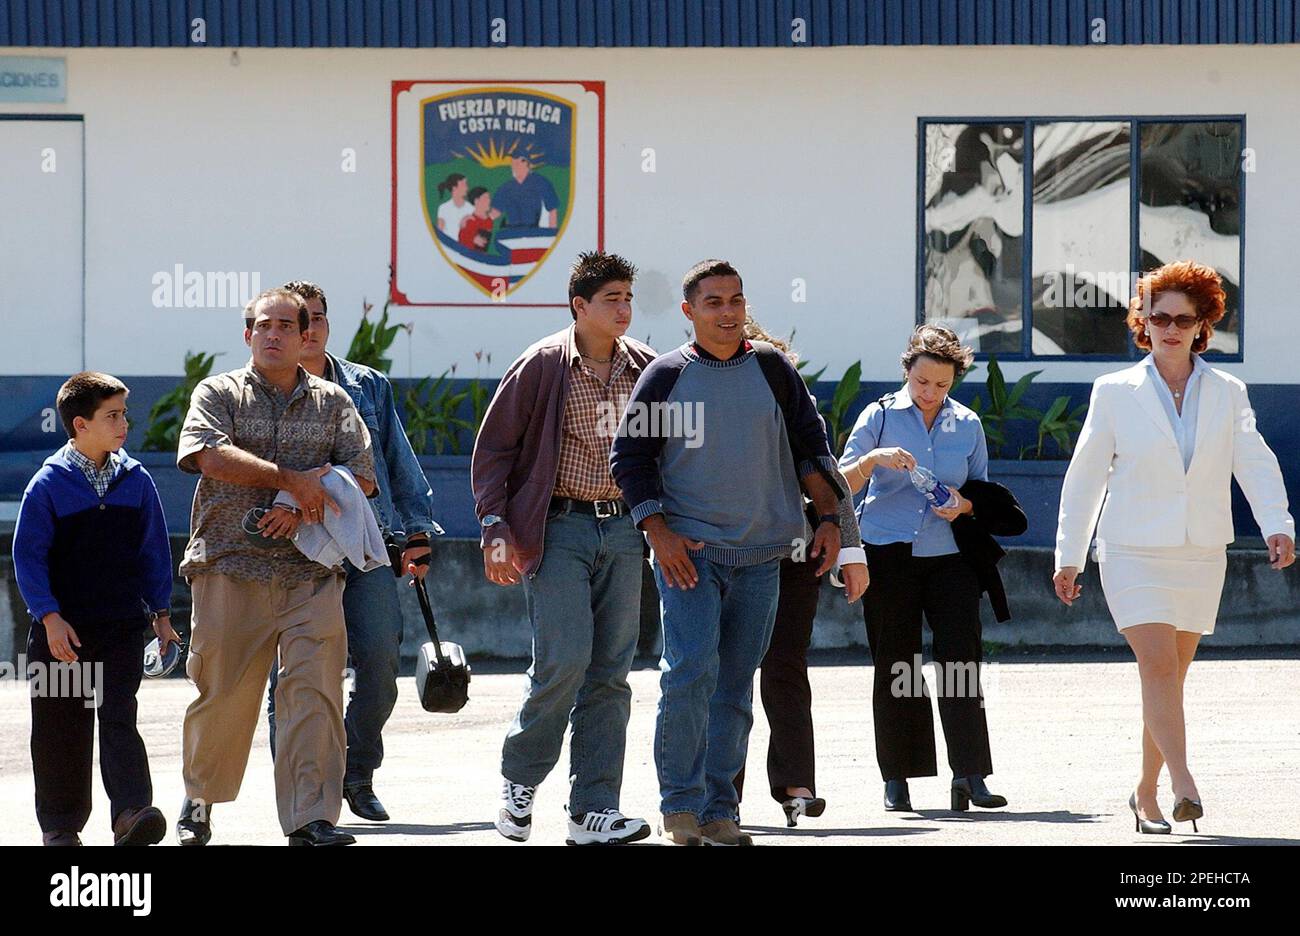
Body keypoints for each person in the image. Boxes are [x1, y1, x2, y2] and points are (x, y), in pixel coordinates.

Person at [611, 259, 867, 846]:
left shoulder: (774, 370)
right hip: (689, 555)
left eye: (735, 300)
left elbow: (813, 450)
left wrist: (830, 520)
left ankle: (719, 811)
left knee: (734, 683)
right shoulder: (666, 376)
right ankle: (678, 805)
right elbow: (630, 460)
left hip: (762, 556)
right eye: (713, 303)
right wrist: (658, 532)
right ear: (689, 312)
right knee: (690, 673)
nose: (727, 312)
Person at [1053, 260, 1295, 834]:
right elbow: (1085, 476)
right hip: (1131, 549)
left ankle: (1145, 793)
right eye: (1158, 316)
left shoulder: (1228, 392)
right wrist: (1069, 554)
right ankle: (1185, 783)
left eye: (1183, 319)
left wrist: (1277, 523)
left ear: (1202, 324)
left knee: (1167, 682)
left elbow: (1254, 462)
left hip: (1200, 553)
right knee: (1159, 668)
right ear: (1143, 320)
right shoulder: (1113, 391)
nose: (1170, 328)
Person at [175, 287, 377, 847]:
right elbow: (206, 455)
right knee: (223, 693)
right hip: (229, 567)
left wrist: (302, 503)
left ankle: (311, 817)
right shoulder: (218, 392)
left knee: (315, 693)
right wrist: (290, 480)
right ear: (248, 334)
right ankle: (200, 799)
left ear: (304, 334)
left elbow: (360, 476)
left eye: (286, 325)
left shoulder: (335, 402)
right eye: (263, 325)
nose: (273, 334)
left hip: (311, 573)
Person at [472, 251, 656, 845]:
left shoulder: (647, 370)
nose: (624, 309)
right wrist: (495, 525)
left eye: (628, 297)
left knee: (612, 672)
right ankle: (519, 781)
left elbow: (670, 454)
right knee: (564, 660)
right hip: (559, 529)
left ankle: (593, 810)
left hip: (627, 532)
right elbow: (495, 450)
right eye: (612, 299)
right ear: (579, 306)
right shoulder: (543, 365)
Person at [262, 280, 440, 823]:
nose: (309, 329)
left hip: (366, 545)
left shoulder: (368, 386)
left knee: (382, 660)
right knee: (293, 676)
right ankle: (304, 794)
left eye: (316, 317)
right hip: (290, 552)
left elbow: (397, 461)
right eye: (298, 320)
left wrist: (416, 534)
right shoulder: (256, 390)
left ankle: (357, 773)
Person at [839, 324, 1005, 813]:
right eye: (922, 382)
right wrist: (873, 459)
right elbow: (841, 484)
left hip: (951, 557)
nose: (931, 393)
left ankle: (970, 776)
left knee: (961, 663)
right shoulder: (879, 416)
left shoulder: (968, 424)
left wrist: (964, 505)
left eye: (942, 385)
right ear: (906, 370)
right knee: (897, 665)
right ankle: (898, 778)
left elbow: (984, 495)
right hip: (887, 555)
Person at [13, 372, 177, 846]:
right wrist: (48, 616)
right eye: (113, 415)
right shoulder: (47, 485)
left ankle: (130, 813)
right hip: (61, 632)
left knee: (120, 715)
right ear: (80, 425)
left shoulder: (136, 480)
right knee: (60, 725)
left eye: (124, 413)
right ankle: (61, 828)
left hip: (121, 626)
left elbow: (153, 551)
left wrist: (161, 616)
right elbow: (29, 558)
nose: (124, 422)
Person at [731, 315, 866, 827]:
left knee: (786, 665)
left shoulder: (797, 413)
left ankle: (796, 784)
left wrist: (852, 556)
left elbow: (832, 482)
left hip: (796, 557)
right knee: (728, 671)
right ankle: (723, 789)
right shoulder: (709, 408)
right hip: (728, 557)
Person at [494, 153, 558, 229]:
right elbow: (495, 212)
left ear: (526, 163)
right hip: (512, 232)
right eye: (513, 163)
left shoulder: (541, 182)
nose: (514, 167)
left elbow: (552, 210)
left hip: (534, 231)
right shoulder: (506, 187)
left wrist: (552, 232)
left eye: (517, 163)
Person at [434, 173, 474, 241]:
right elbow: (439, 232)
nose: (467, 188)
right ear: (454, 188)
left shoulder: (471, 208)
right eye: (464, 185)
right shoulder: (443, 208)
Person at [458, 187, 496, 252]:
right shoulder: (469, 221)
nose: (489, 200)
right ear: (476, 201)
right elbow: (461, 245)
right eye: (486, 198)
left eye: (489, 198)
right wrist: (473, 239)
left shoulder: (489, 221)